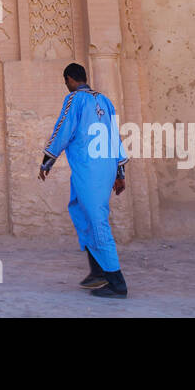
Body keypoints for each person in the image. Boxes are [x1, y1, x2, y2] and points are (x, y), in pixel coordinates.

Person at [37, 62, 129, 298]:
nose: (66, 85)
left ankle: (117, 283)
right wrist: (119, 173)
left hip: (90, 169)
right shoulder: (105, 101)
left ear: (69, 79)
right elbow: (114, 136)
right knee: (81, 213)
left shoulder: (74, 100)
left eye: (65, 81)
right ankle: (97, 271)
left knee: (97, 220)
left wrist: (47, 160)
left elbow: (63, 129)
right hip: (104, 167)